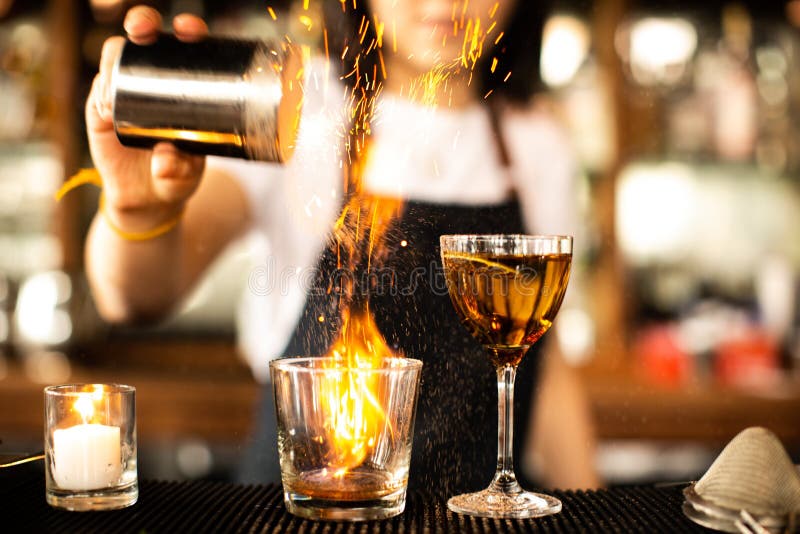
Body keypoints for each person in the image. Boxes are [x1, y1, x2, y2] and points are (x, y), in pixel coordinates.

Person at [85, 1, 600, 494]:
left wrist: (598, 514)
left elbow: (543, 368)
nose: (447, 0)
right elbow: (139, 295)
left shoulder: (538, 143)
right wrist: (139, 210)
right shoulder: (298, 106)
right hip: (300, 511)